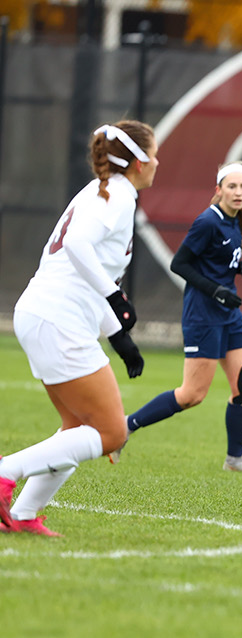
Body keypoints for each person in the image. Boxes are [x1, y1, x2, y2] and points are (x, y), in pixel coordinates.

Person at [0, 121, 157, 537]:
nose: (157, 162)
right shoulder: (119, 196)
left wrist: (119, 337)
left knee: (78, 429)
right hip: (58, 318)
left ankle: (23, 514)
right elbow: (77, 247)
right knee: (110, 432)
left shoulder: (102, 192)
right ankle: (4, 473)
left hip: (44, 314)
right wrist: (116, 297)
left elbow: (82, 266)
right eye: (154, 155)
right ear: (139, 162)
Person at [124, 160, 242, 474]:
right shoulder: (208, 221)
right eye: (231, 186)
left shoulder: (236, 220)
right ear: (218, 190)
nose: (238, 192)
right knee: (192, 395)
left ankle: (234, 460)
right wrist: (216, 290)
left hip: (229, 316)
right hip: (203, 315)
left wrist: (239, 267)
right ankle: (126, 427)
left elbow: (218, 261)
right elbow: (181, 264)